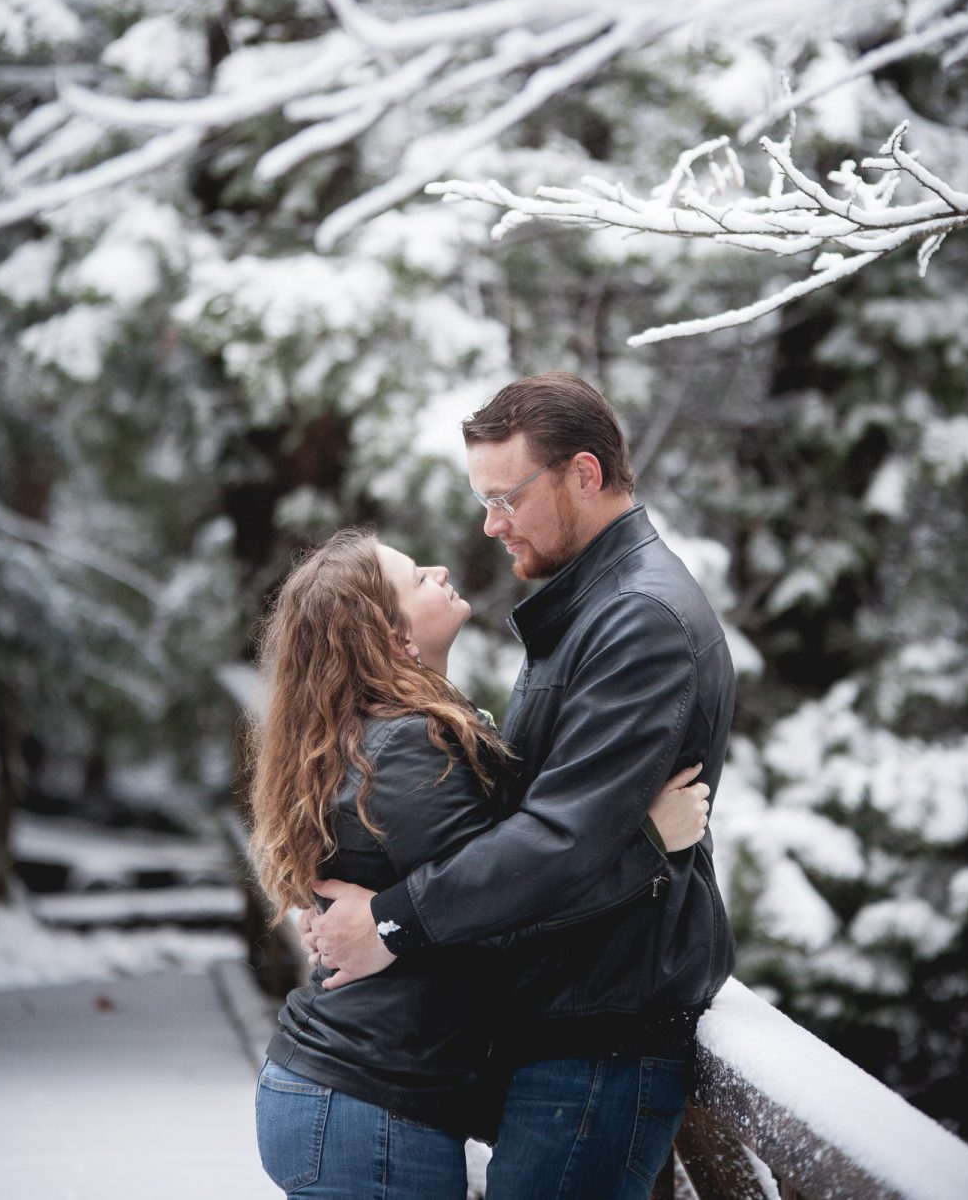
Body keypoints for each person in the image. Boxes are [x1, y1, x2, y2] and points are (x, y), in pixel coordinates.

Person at [304, 373, 737, 1198]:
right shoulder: (586, 608)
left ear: (583, 474)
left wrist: (389, 921)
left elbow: (559, 841)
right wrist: (346, 899)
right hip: (562, 1029)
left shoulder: (637, 617)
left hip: (599, 1039)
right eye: (483, 499)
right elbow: (503, 818)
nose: (489, 524)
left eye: (507, 497)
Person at [250, 526, 710, 1200]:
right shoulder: (406, 748)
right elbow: (501, 916)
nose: (439, 569)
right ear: (393, 637)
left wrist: (380, 923)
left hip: (351, 1098)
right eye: (415, 577)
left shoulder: (384, 734)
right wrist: (646, 839)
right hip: (366, 1108)